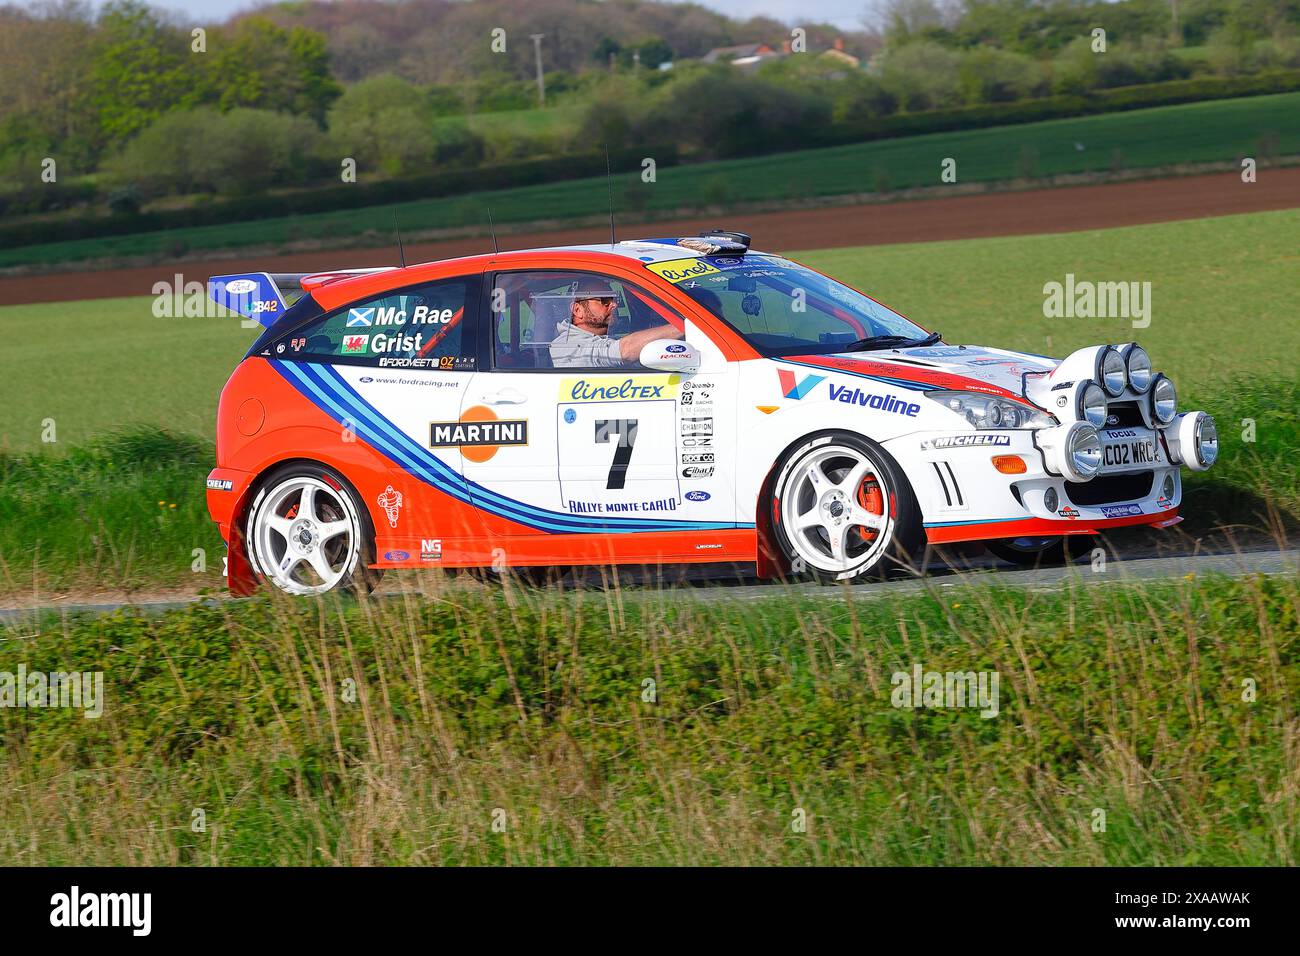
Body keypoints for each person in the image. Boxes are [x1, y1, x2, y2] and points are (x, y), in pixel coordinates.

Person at [549, 278, 683, 368]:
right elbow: (625, 350)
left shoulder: (595, 338)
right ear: (577, 310)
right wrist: (684, 326)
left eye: (613, 299)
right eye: (604, 300)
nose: (614, 304)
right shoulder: (567, 347)